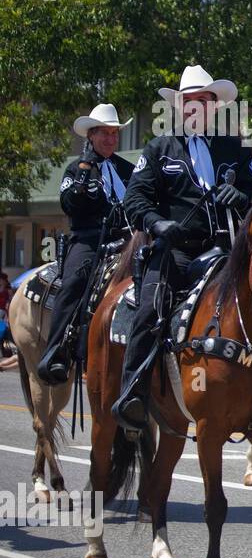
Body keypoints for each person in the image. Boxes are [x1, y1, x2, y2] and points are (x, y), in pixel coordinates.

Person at [110, 65, 252, 431]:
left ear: (215, 106)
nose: (196, 108)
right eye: (190, 102)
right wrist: (157, 223)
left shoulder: (233, 147)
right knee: (151, 307)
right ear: (180, 107)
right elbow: (134, 198)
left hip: (228, 251)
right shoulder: (159, 148)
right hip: (176, 250)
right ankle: (134, 391)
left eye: (204, 101)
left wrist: (245, 196)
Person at [36, 105, 137, 384]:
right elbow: (69, 205)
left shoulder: (128, 169)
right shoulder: (76, 168)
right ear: (91, 136)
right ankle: (56, 352)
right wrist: (83, 173)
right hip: (91, 240)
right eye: (104, 133)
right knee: (74, 282)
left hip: (129, 239)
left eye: (114, 133)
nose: (110, 139)